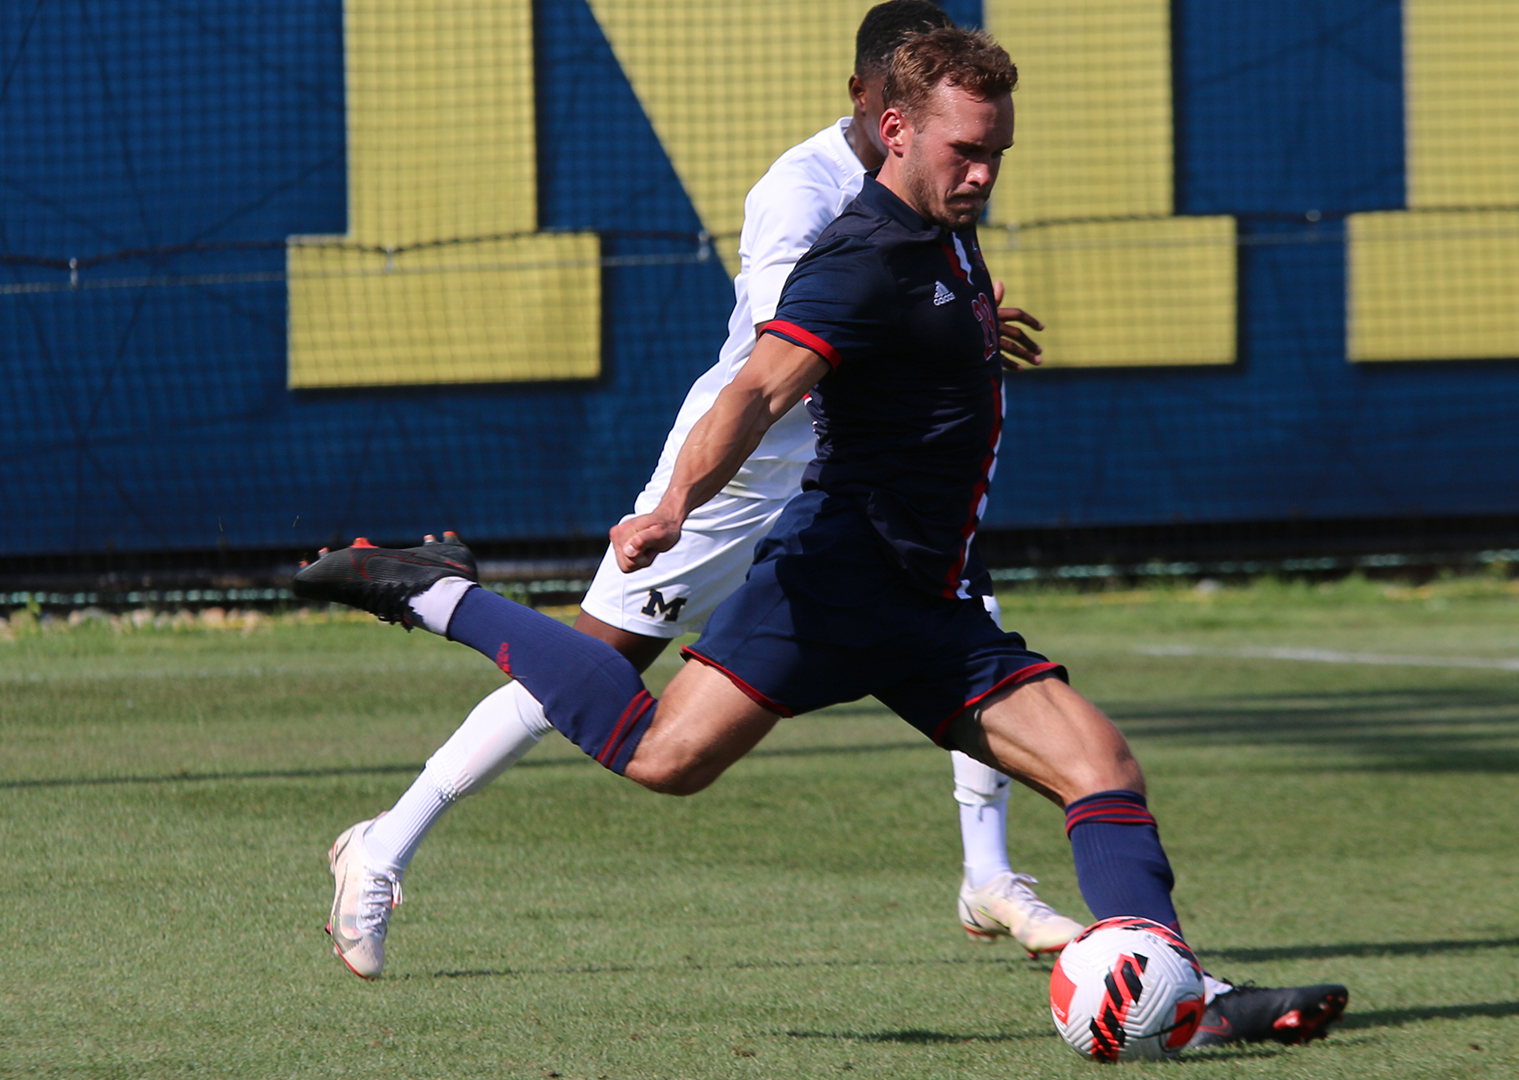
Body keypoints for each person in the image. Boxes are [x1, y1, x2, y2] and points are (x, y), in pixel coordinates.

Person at [299, 26, 1346, 1049]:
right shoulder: (856, 250)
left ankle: (1182, 996)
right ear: (892, 128)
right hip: (836, 578)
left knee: (1101, 764)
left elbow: (911, 332)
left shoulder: (942, 230)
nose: (982, 173)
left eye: (996, 153)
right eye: (963, 152)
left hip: (923, 599)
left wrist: (969, 333)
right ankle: (430, 592)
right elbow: (760, 384)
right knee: (663, 758)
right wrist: (674, 508)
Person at [319, 3, 1079, 983]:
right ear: (872, 102)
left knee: (972, 626)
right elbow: (779, 363)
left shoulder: (948, 179)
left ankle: (988, 875)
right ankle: (381, 845)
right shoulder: (799, 191)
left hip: (872, 484)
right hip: (742, 470)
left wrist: (970, 328)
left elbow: (917, 307)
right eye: (901, 102)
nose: (948, 146)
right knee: (592, 670)